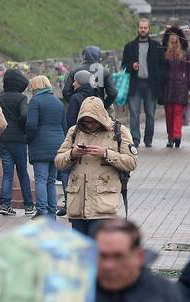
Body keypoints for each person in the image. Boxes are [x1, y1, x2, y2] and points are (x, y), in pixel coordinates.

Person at [54, 96, 137, 236]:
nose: (90, 125)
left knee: (97, 252)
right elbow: (59, 161)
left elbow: (131, 162)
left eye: (93, 121)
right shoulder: (74, 132)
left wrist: (106, 153)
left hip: (103, 205)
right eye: (86, 122)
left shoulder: (119, 131)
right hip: (77, 206)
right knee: (81, 253)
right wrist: (73, 154)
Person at [24, 74, 66, 218]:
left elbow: (31, 125)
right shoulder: (58, 102)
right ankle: (52, 210)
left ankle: (42, 210)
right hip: (57, 144)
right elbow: (64, 125)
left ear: (35, 86)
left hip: (40, 144)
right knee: (51, 180)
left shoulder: (35, 102)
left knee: (41, 178)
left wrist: (27, 139)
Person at [0, 69, 35, 215]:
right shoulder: (21, 98)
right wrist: (22, 127)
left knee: (7, 173)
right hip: (18, 139)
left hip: (4, 139)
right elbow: (24, 114)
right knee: (22, 172)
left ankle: (5, 205)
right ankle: (29, 205)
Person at [122, 17, 164, 148]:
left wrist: (160, 82)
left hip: (151, 85)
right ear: (137, 28)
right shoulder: (129, 46)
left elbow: (162, 66)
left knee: (150, 113)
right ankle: (135, 138)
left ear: (149, 29)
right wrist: (131, 66)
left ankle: (148, 139)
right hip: (135, 83)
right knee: (134, 113)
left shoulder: (157, 46)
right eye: (141, 27)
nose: (143, 30)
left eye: (145, 28)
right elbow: (124, 66)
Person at [161, 33, 190, 148]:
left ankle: (177, 135)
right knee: (169, 113)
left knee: (178, 112)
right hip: (168, 87)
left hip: (181, 86)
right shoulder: (165, 54)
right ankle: (170, 137)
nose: (174, 38)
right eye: (172, 36)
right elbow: (161, 70)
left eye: (175, 36)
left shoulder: (185, 54)